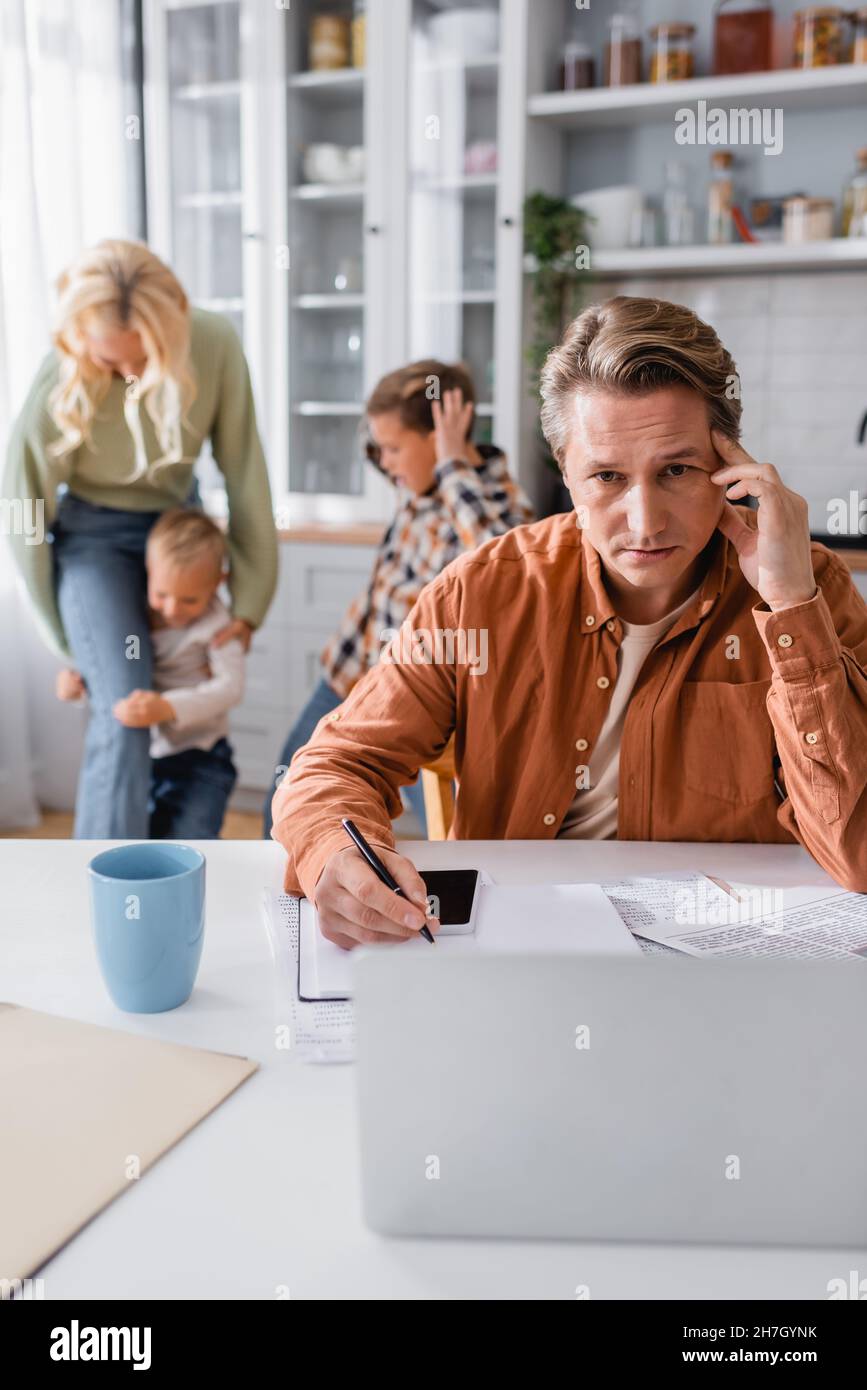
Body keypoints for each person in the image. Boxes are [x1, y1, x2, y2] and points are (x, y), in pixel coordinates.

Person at [270, 295, 867, 949]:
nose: (644, 522)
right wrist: (331, 853)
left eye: (676, 469)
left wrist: (787, 607)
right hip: (524, 955)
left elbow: (857, 852)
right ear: (565, 474)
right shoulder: (484, 590)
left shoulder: (807, 592)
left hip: (724, 962)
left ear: (728, 466)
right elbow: (335, 764)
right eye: (606, 477)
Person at [4, 239, 277, 838]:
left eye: (144, 359)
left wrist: (253, 600)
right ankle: (106, 883)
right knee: (125, 710)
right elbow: (22, 506)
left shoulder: (215, 343)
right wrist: (64, 637)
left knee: (184, 705)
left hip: (177, 529)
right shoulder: (60, 368)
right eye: (109, 363)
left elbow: (245, 471)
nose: (129, 374)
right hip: (92, 538)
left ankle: (169, 867)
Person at [262, 359, 534, 837]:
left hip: (413, 700)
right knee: (288, 794)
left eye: (392, 448)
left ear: (440, 438)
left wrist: (452, 462)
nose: (384, 462)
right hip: (348, 671)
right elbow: (392, 454)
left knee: (456, 834)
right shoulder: (415, 487)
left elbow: (506, 575)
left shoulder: (497, 500)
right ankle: (281, 902)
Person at [57, 510, 244, 839]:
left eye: (189, 599)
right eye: (162, 594)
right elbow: (111, 671)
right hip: (150, 759)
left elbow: (231, 688)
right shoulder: (134, 619)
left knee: (192, 840)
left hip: (201, 760)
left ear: (217, 583)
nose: (172, 609)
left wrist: (168, 707)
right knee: (148, 838)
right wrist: (76, 684)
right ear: (148, 573)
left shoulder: (217, 625)